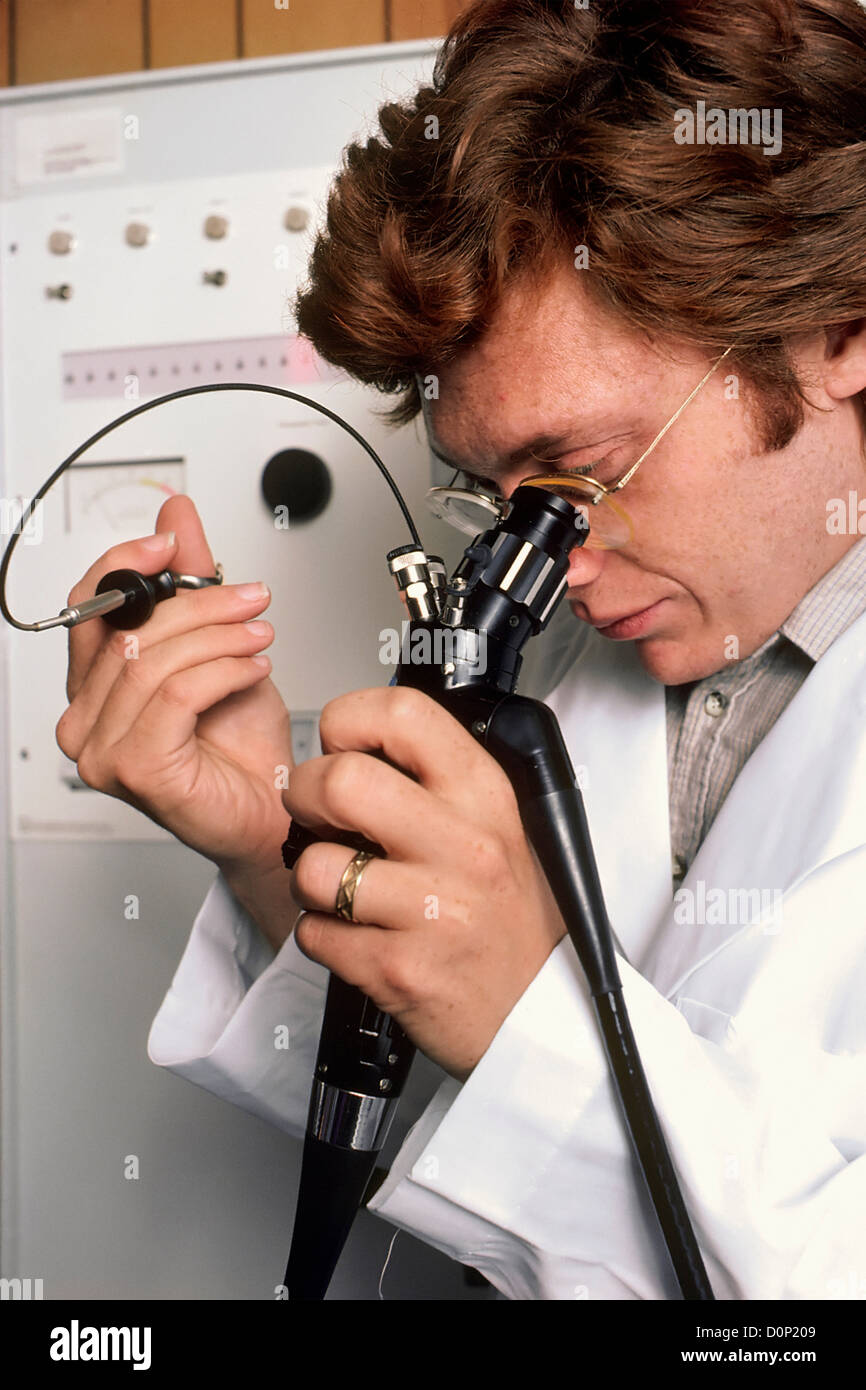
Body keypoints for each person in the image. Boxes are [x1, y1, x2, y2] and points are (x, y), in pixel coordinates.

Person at [56, 0, 866, 1299]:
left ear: (833, 328)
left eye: (582, 475)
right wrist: (272, 834)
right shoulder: (603, 644)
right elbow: (478, 1144)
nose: (551, 565)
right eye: (498, 498)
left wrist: (528, 1008)